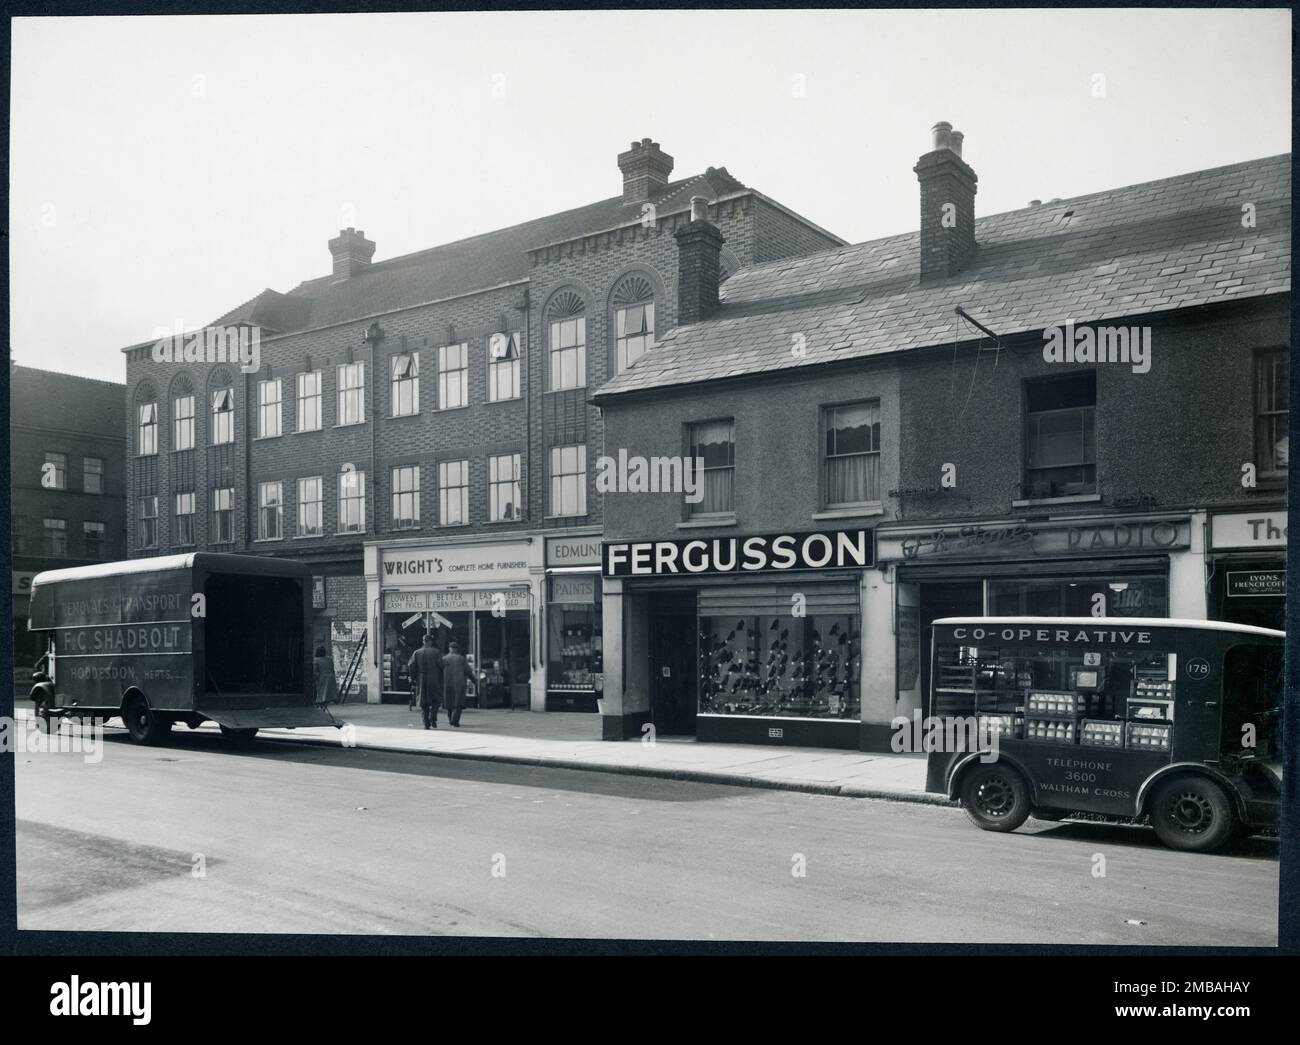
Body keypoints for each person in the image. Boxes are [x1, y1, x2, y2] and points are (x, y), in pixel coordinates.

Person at [407, 634, 445, 729]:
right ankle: (433, 718)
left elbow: (411, 666)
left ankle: (426, 722)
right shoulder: (436, 652)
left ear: (423, 641)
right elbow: (442, 665)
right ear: (431, 641)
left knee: (423, 702)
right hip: (434, 679)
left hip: (421, 679)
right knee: (435, 699)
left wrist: (413, 678)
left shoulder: (417, 652)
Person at [441, 641, 470, 728]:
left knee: (449, 702)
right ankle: (455, 720)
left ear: (449, 649)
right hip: (459, 683)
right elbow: (468, 671)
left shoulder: (444, 658)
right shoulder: (461, 659)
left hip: (447, 682)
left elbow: (440, 671)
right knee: (458, 703)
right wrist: (475, 680)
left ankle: (450, 719)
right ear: (457, 649)